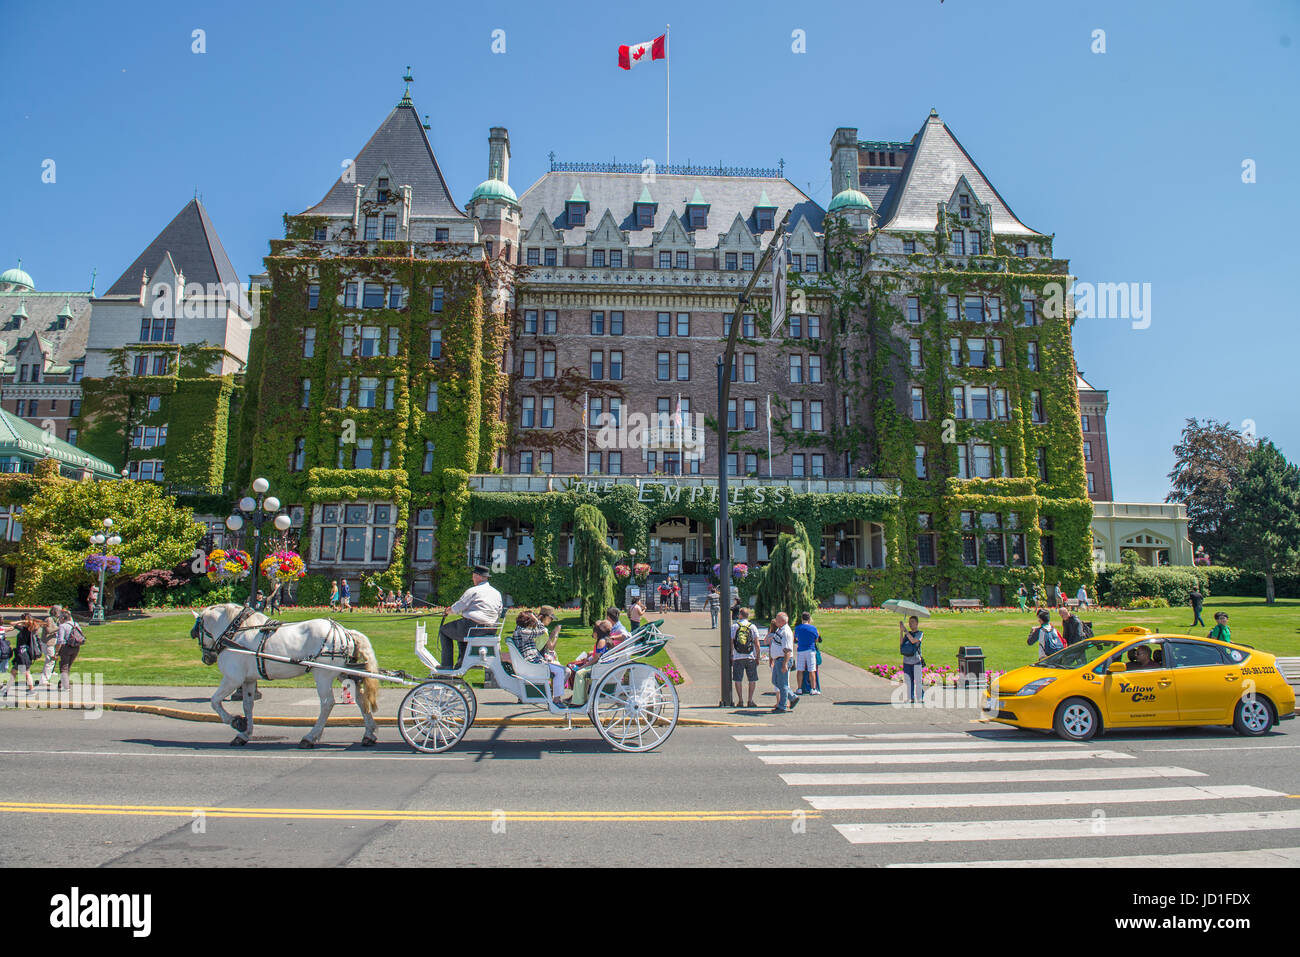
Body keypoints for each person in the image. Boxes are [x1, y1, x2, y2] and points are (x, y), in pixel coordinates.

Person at [439, 564, 503, 671]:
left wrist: (447, 611)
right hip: (492, 628)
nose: (473, 578)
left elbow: (458, 607)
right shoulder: (497, 593)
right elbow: (499, 612)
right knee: (460, 628)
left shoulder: (474, 591)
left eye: (473, 576)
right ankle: (462, 662)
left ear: (478, 576)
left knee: (444, 630)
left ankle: (446, 664)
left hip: (474, 627)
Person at [511, 609, 568, 706]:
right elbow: (542, 630)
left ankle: (554, 697)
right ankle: (556, 700)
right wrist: (537, 620)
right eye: (532, 622)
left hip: (533, 661)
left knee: (563, 670)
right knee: (562, 671)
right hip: (533, 663)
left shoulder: (520, 630)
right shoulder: (524, 632)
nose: (534, 624)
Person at [765, 612, 798, 713]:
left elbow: (788, 650)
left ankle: (782, 706)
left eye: (777, 619)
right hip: (778, 659)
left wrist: (785, 664)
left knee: (782, 683)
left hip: (782, 659)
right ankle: (792, 697)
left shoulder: (786, 632)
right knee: (775, 681)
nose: (775, 620)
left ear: (782, 621)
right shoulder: (780, 629)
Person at [730, 608, 760, 707]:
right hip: (750, 656)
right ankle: (750, 700)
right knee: (752, 679)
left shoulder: (734, 626)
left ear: (740, 615)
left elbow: (732, 642)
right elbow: (757, 643)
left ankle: (740, 700)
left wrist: (732, 654)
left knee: (738, 679)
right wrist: (757, 657)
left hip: (738, 656)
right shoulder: (753, 627)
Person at [9, 613, 40, 694]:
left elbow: (12, 623)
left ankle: (31, 689)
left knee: (26, 672)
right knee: (14, 671)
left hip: (23, 654)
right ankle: (8, 689)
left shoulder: (28, 629)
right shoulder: (26, 628)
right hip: (21, 654)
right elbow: (12, 624)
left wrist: (22, 621)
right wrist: (23, 621)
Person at [53, 610, 81, 692]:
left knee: (64, 667)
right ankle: (61, 682)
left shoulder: (63, 626)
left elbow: (60, 640)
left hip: (66, 647)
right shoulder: (76, 624)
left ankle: (66, 686)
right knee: (68, 666)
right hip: (76, 647)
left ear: (62, 618)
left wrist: (56, 652)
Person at [794, 611, 820, 696]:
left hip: (801, 649)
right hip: (810, 650)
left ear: (802, 618)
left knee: (800, 669)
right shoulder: (813, 628)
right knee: (811, 669)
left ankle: (799, 688)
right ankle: (813, 688)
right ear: (809, 619)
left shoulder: (797, 628)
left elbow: (796, 638)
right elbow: (816, 639)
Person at [899, 616, 924, 704]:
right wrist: (901, 631)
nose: (910, 624)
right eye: (909, 622)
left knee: (918, 680)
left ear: (917, 623)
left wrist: (905, 631)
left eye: (912, 622)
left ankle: (920, 697)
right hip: (906, 660)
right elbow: (901, 643)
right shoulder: (907, 634)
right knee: (908, 680)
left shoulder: (920, 633)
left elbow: (913, 641)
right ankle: (910, 697)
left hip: (916, 660)